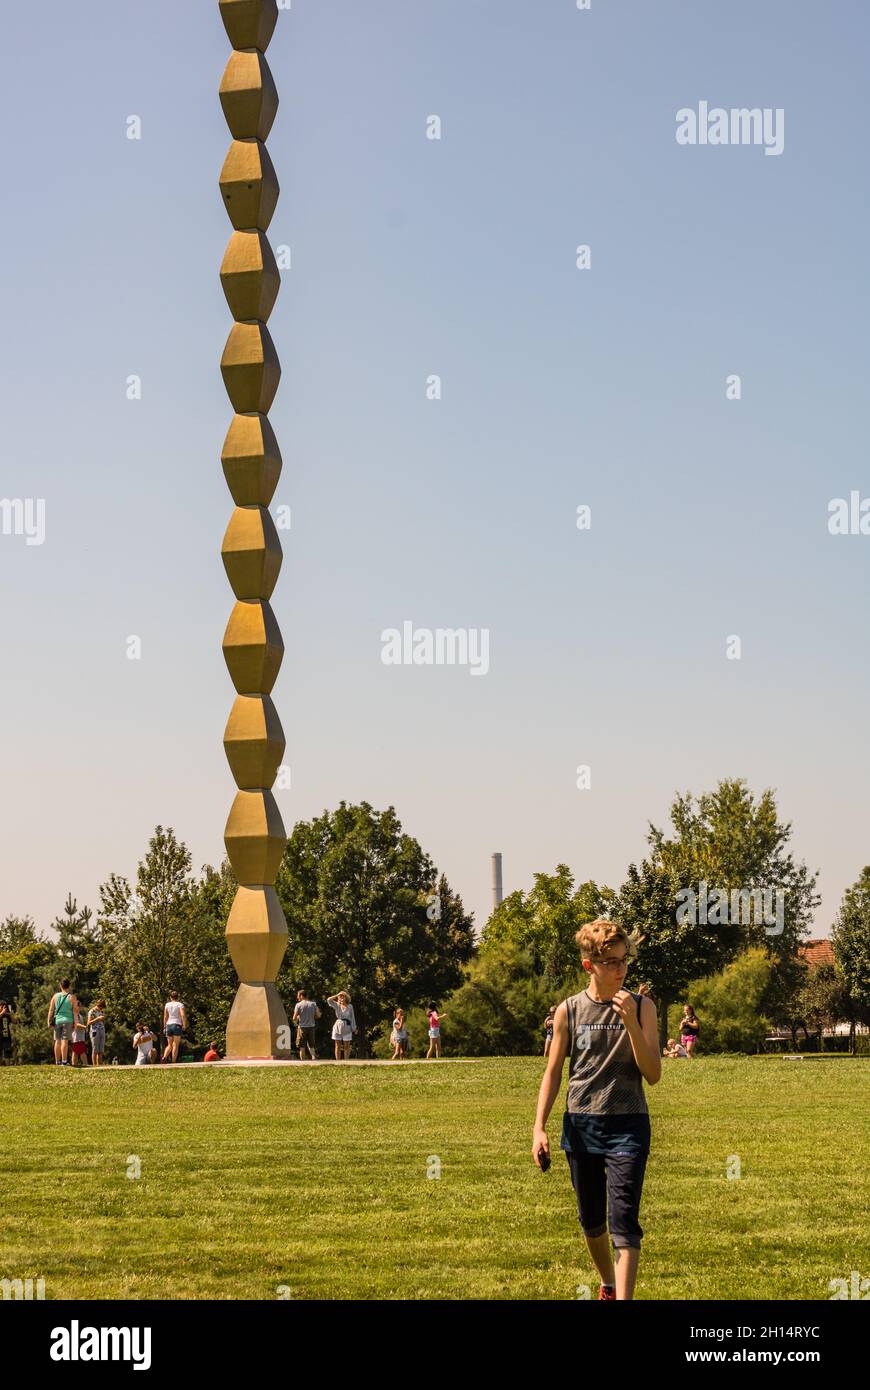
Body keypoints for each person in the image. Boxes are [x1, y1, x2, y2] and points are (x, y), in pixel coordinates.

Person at [532, 918, 661, 1302]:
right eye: (611, 963)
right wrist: (539, 1128)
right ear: (589, 965)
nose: (620, 969)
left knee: (623, 1219)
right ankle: (607, 1282)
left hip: (629, 1125)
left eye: (624, 961)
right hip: (581, 1124)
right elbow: (553, 1071)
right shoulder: (569, 1011)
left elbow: (653, 1074)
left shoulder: (642, 1007)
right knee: (591, 1222)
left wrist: (631, 1026)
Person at [47, 979, 79, 1066]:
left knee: (57, 1041)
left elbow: (51, 1010)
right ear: (69, 986)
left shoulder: (55, 996)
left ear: (60, 986)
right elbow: (75, 1012)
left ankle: (57, 1061)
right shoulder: (72, 997)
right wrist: (75, 1023)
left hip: (57, 1020)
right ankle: (64, 1061)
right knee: (65, 1041)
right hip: (68, 1020)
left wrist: (49, 1021)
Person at [326, 991, 356, 1060]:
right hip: (338, 1026)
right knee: (337, 1045)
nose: (341, 998)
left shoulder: (350, 1006)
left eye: (343, 997)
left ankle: (346, 1061)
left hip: (347, 1026)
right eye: (340, 997)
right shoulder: (337, 1005)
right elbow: (328, 1000)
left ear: (346, 998)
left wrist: (354, 1028)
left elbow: (352, 1017)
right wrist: (337, 995)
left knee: (346, 1046)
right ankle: (338, 1061)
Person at [292, 989, 321, 1060]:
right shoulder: (313, 1004)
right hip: (311, 1027)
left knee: (302, 1046)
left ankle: (303, 1061)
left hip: (302, 1027)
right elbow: (318, 1015)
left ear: (301, 996)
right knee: (311, 1045)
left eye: (298, 996)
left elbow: (294, 1018)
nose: (297, 998)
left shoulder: (298, 1005)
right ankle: (313, 1058)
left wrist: (299, 1017)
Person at [161, 991, 188, 1064]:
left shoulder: (167, 1005)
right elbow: (182, 1015)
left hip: (169, 1025)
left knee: (169, 1045)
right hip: (177, 1025)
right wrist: (184, 1024)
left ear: (170, 997)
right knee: (175, 1044)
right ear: (177, 997)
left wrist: (164, 1026)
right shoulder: (180, 1005)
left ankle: (164, 1057)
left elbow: (165, 1016)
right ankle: (173, 1061)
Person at [87, 1000, 107, 1067]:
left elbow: (102, 1021)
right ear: (99, 1005)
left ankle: (100, 1065)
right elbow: (88, 1023)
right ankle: (95, 1066)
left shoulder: (101, 1011)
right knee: (95, 1049)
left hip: (102, 1030)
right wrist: (98, 1018)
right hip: (95, 1031)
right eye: (101, 1007)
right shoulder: (92, 1011)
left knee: (101, 1050)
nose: (102, 1009)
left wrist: (102, 1019)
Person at [0, 1000, 15, 1066]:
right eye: (2, 1006)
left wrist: (10, 1014)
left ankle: (8, 1066)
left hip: (6, 1036)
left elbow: (14, 1022)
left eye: (5, 1006)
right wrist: (2, 1013)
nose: (4, 1008)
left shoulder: (7, 1015)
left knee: (7, 1052)